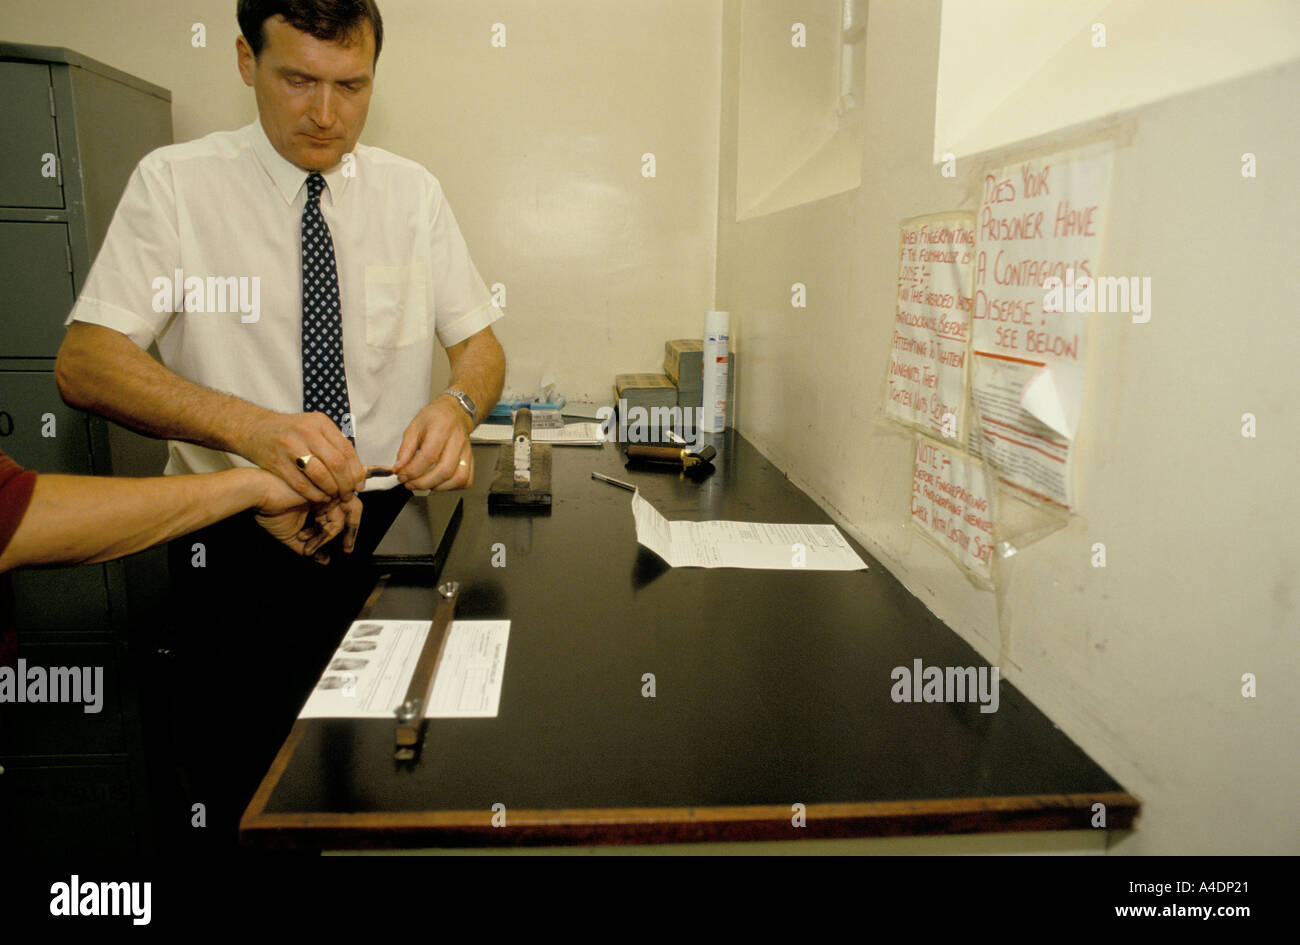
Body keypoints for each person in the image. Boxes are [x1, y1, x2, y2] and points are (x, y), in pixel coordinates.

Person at [48, 0, 506, 848]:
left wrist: (458, 404)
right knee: (250, 804)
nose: (325, 113)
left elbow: (480, 346)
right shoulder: (177, 184)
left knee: (396, 789)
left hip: (387, 538)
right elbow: (85, 361)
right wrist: (251, 427)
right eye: (297, 80)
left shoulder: (412, 194)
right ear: (242, 59)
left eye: (351, 86)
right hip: (233, 547)